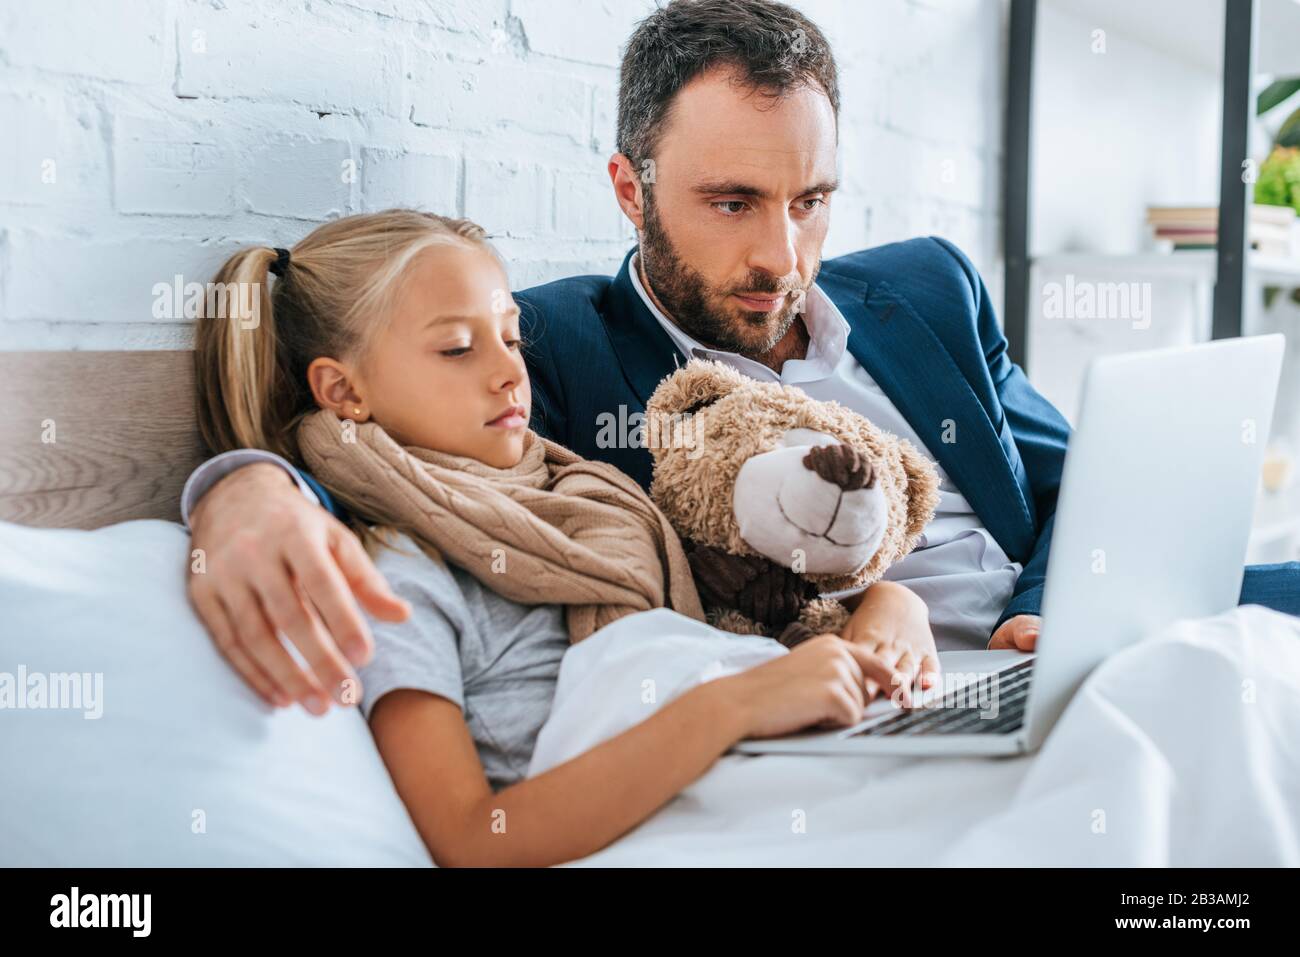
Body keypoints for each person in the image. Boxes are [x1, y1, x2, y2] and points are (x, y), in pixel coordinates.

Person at [183, 0, 1300, 716]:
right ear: (630, 189)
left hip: (1059, 648)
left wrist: (1050, 611)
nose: (780, 256)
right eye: (730, 202)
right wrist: (244, 491)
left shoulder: (927, 286)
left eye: (809, 202)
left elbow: (1078, 483)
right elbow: (378, 430)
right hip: (895, 705)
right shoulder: (558, 345)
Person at [191, 208, 936, 865]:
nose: (509, 374)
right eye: (457, 348)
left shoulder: (584, 500)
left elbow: (734, 617)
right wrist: (734, 705)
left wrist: (886, 608)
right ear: (343, 391)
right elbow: (468, 838)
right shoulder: (400, 579)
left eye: (511, 338)